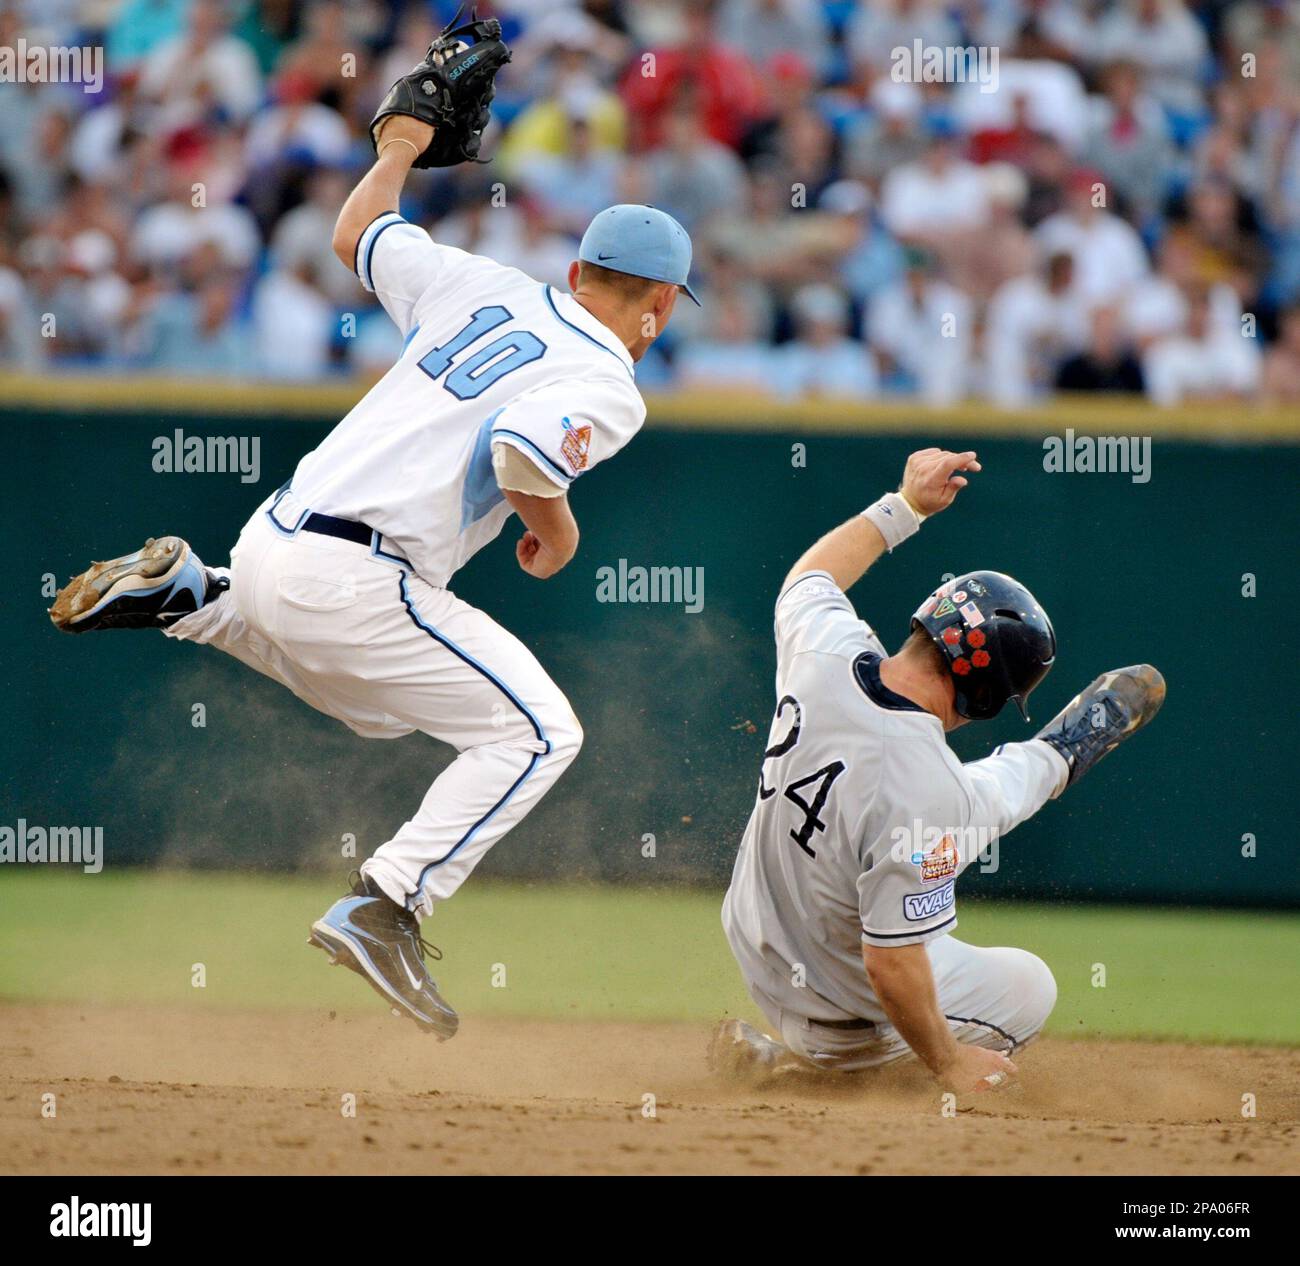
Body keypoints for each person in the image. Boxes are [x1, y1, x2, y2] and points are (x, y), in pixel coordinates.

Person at [48, 107, 698, 1040]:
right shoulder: (611, 377)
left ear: (574, 272)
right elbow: (523, 451)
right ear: (662, 305)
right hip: (358, 574)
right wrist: (558, 538)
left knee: (382, 711)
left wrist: (397, 145)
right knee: (540, 734)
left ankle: (198, 598)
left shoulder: (485, 283)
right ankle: (386, 903)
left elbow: (356, 233)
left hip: (271, 542)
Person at [712, 448, 1165, 1094]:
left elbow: (809, 579)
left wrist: (903, 506)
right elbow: (890, 964)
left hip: (757, 944)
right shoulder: (926, 787)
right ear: (984, 696)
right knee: (1029, 986)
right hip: (835, 1012)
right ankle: (801, 1073)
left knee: (975, 804)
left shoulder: (825, 647)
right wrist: (950, 1063)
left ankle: (1063, 749)